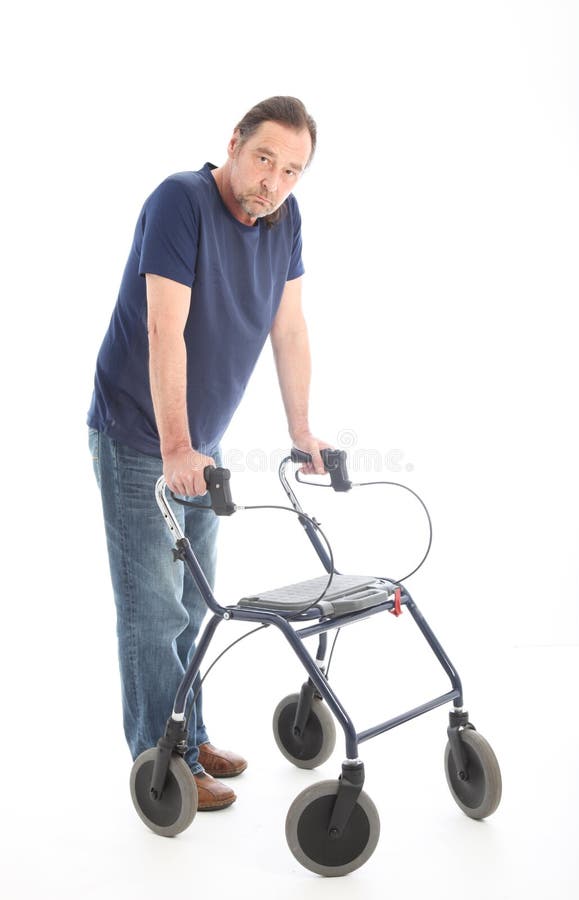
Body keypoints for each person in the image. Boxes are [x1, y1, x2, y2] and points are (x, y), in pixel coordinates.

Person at [87, 96, 329, 812]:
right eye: (264, 160)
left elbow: (290, 329)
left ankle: (190, 735)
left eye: (292, 170)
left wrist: (302, 430)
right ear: (234, 143)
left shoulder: (284, 221)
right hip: (143, 435)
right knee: (154, 612)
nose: (274, 182)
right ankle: (160, 763)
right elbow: (166, 328)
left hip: (201, 442)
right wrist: (175, 446)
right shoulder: (180, 201)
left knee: (197, 603)